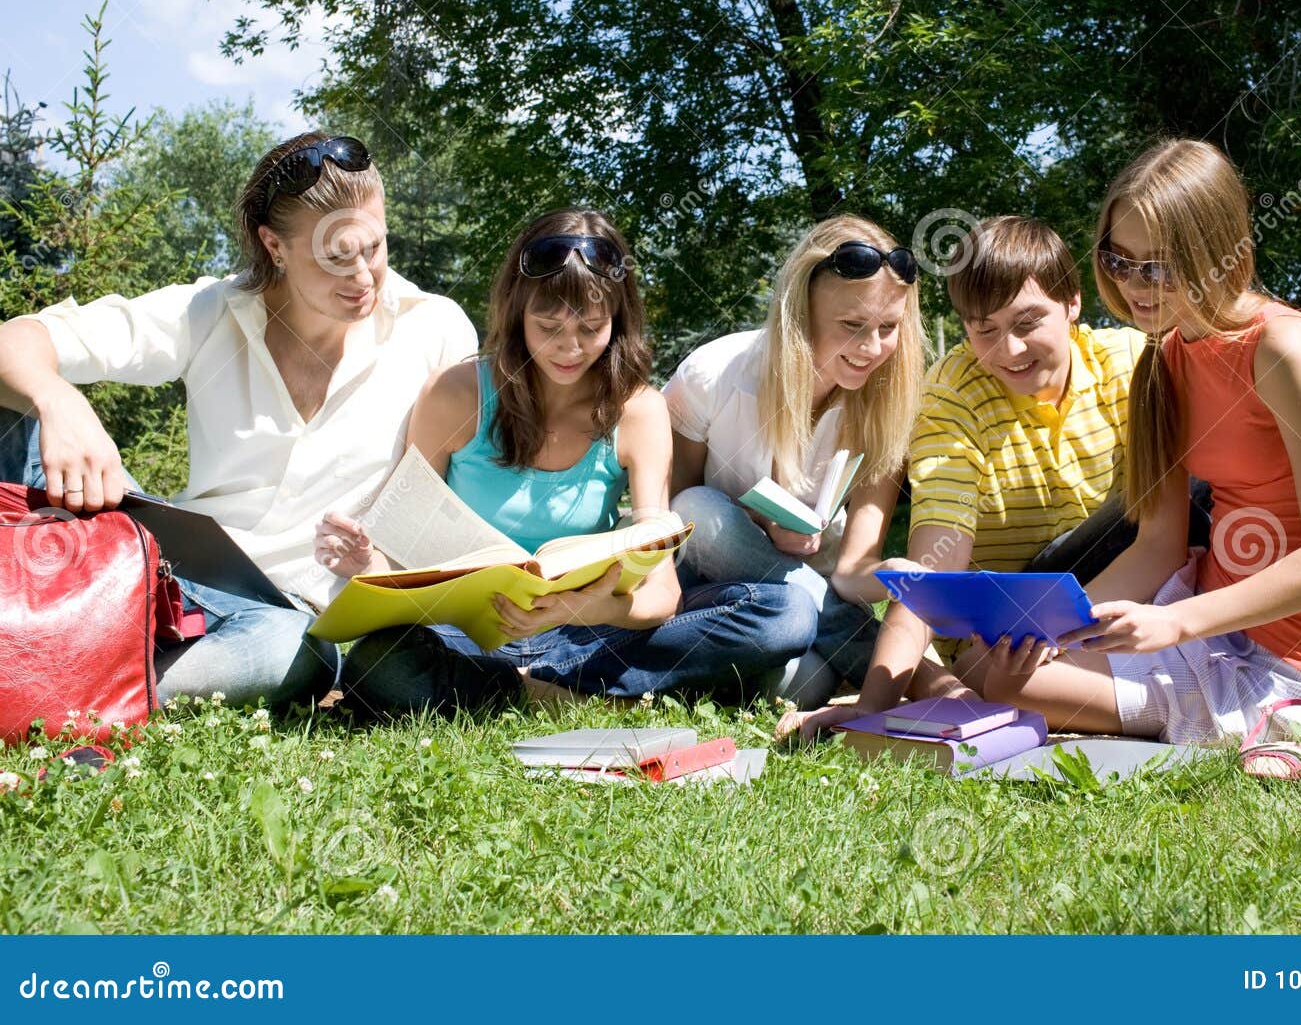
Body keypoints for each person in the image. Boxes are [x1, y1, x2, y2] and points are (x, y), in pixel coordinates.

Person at [0, 132, 478, 706]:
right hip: (171, 569)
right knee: (13, 407)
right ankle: (77, 660)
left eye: (374, 248)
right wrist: (59, 400)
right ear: (275, 245)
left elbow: (456, 491)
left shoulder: (435, 329)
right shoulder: (210, 311)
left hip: (288, 619)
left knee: (291, 653)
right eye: (335, 257)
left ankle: (57, 688)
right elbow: (19, 339)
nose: (362, 277)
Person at [949, 139, 1301, 750]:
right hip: (1208, 619)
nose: (1135, 286)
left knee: (1009, 686)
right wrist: (1046, 629)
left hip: (1300, 657)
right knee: (987, 662)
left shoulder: (1283, 352)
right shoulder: (1163, 358)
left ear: (1216, 253)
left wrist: (1175, 622)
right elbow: (1157, 547)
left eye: (1157, 267)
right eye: (1119, 261)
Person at [328, 209, 815, 714]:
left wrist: (586, 607)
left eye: (592, 327)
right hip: (467, 636)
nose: (570, 347)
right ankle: (557, 694)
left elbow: (662, 592)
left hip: (585, 634)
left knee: (786, 613)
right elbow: (403, 556)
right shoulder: (456, 393)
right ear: (517, 314)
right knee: (380, 663)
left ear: (618, 320)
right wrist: (367, 562)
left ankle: (509, 692)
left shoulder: (638, 410)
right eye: (548, 326)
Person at [782, 214, 1181, 740]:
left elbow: (1175, 529)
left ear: (1072, 303)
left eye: (1028, 323)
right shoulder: (952, 396)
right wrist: (875, 706)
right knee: (1001, 675)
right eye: (984, 329)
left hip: (1130, 594)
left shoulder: (1132, 363)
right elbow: (934, 570)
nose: (1008, 350)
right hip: (1006, 641)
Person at [664, 215, 926, 709]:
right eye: (851, 326)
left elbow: (850, 573)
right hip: (709, 579)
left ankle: (722, 672)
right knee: (699, 508)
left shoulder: (887, 408)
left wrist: (890, 572)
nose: (872, 348)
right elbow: (672, 519)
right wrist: (759, 522)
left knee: (802, 683)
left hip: (801, 600)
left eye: (888, 328)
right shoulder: (712, 375)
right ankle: (920, 680)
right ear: (801, 312)